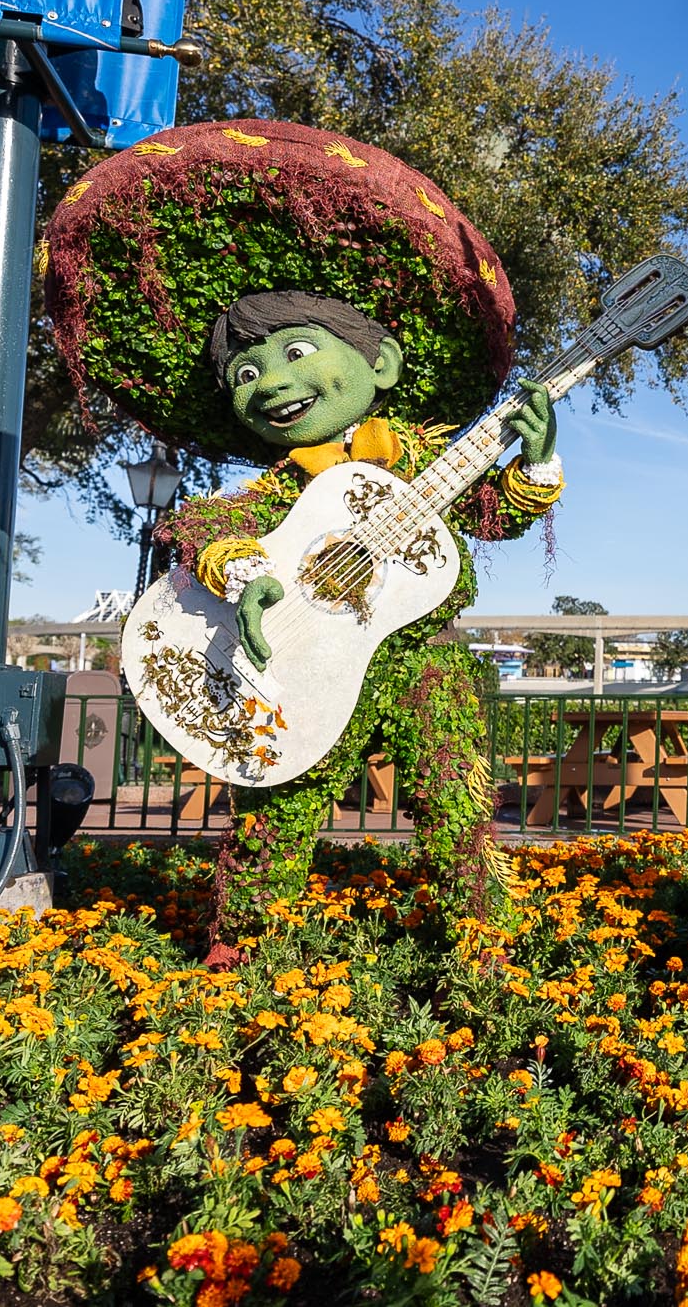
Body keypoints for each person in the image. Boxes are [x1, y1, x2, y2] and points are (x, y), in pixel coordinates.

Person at [157, 289, 560, 947]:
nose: (272, 385)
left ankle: (483, 945)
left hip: (422, 663)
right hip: (306, 672)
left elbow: (495, 513)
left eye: (295, 354)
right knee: (279, 810)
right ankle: (241, 946)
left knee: (458, 801)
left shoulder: (425, 466)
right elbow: (216, 523)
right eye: (247, 375)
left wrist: (536, 459)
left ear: (384, 364)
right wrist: (243, 574)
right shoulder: (284, 488)